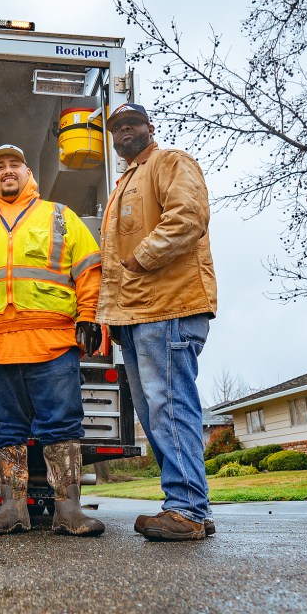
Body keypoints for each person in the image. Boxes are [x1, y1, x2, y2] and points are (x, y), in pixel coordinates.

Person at [0, 144, 105, 536]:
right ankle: (12, 510)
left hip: (52, 343)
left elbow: (89, 269)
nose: (7, 171)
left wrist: (88, 317)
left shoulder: (60, 216)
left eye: (15, 165)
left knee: (61, 425)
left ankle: (68, 511)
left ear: (28, 173)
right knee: (2, 428)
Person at [97, 103, 218, 541]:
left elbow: (188, 218)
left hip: (168, 308)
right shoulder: (125, 181)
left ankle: (185, 509)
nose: (124, 132)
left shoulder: (171, 162)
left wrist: (143, 257)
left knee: (169, 405)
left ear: (150, 128)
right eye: (117, 128)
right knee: (154, 413)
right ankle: (192, 508)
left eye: (132, 125)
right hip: (136, 313)